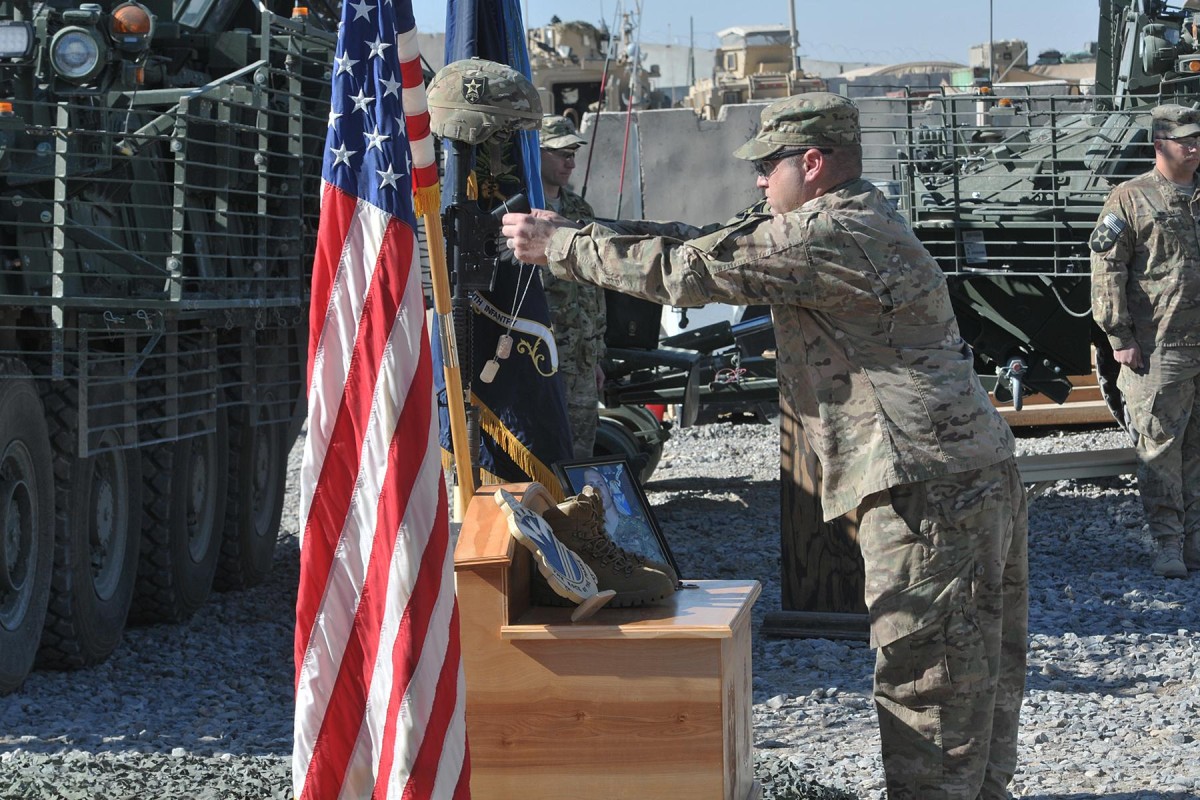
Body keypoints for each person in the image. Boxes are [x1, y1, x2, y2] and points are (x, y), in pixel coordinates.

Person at [503, 92, 1028, 799]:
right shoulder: (858, 215)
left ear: (812, 165)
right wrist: (581, 228)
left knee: (926, 674)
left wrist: (557, 245)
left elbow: (690, 271)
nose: (756, 180)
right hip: (964, 469)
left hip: (925, 488)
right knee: (979, 661)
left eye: (767, 166)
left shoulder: (823, 235)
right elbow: (709, 237)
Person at [1090, 103, 1200, 579]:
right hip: (1159, 348)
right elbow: (1106, 269)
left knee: (1196, 451)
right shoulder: (1129, 199)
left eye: (1199, 139)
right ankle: (1168, 544)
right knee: (1159, 448)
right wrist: (1119, 335)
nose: (1195, 148)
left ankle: (1195, 541)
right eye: (1185, 141)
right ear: (1160, 145)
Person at [539, 115, 606, 459]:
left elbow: (594, 285)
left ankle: (577, 511)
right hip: (541, 357)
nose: (570, 162)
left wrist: (596, 355)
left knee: (580, 449)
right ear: (537, 153)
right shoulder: (525, 212)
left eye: (573, 153)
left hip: (580, 355)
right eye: (561, 153)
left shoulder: (580, 209)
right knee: (543, 446)